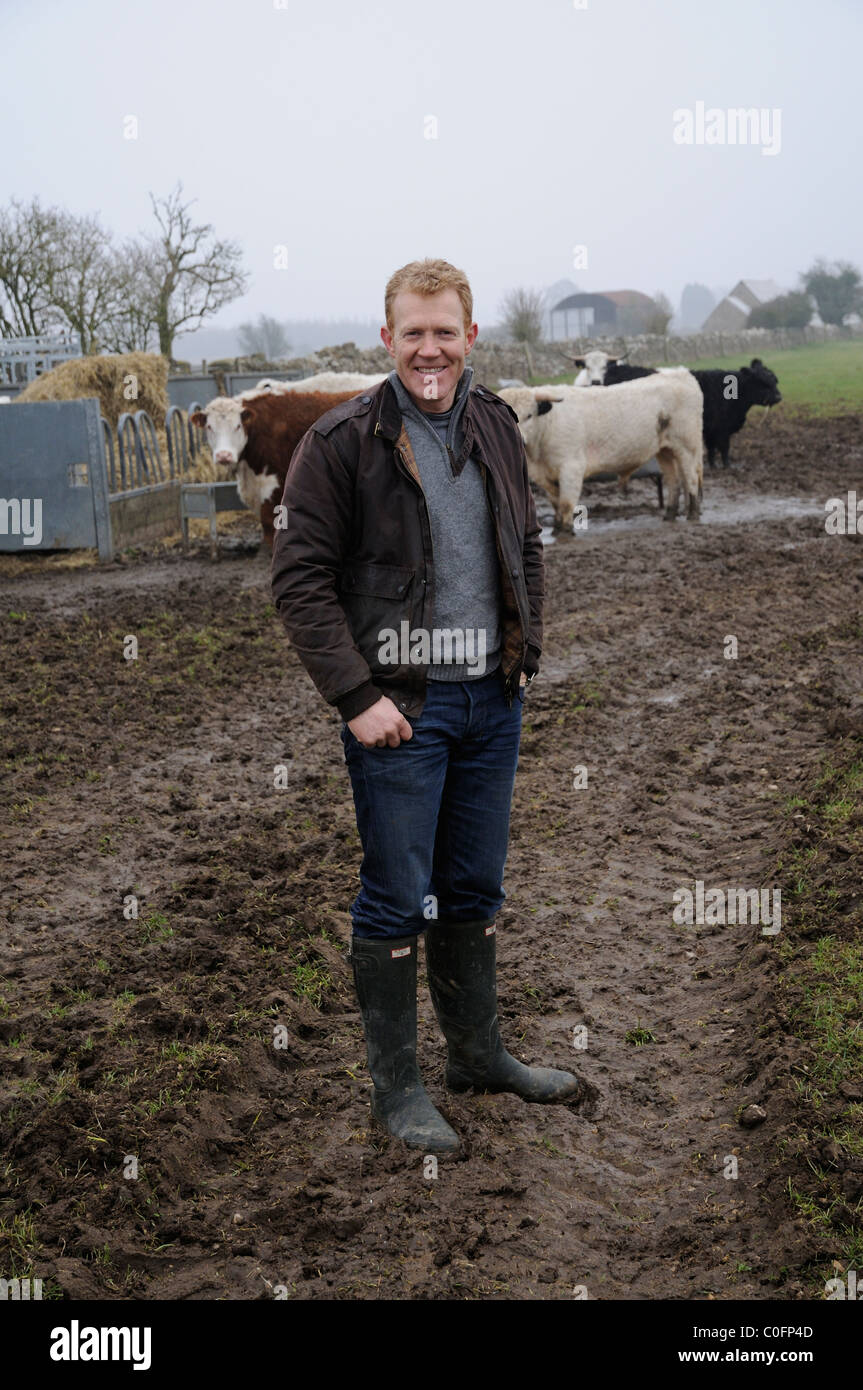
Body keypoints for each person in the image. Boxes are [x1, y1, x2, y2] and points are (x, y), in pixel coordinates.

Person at [271, 258, 580, 1153]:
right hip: (401, 713)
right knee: (397, 894)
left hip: (491, 703)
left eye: (445, 331)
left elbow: (523, 541)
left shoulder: (493, 421)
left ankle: (477, 1056)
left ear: (470, 336)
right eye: (413, 333)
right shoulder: (339, 443)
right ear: (387, 338)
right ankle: (396, 1093)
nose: (430, 348)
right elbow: (300, 583)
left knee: (473, 888)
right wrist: (356, 696)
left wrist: (524, 653)